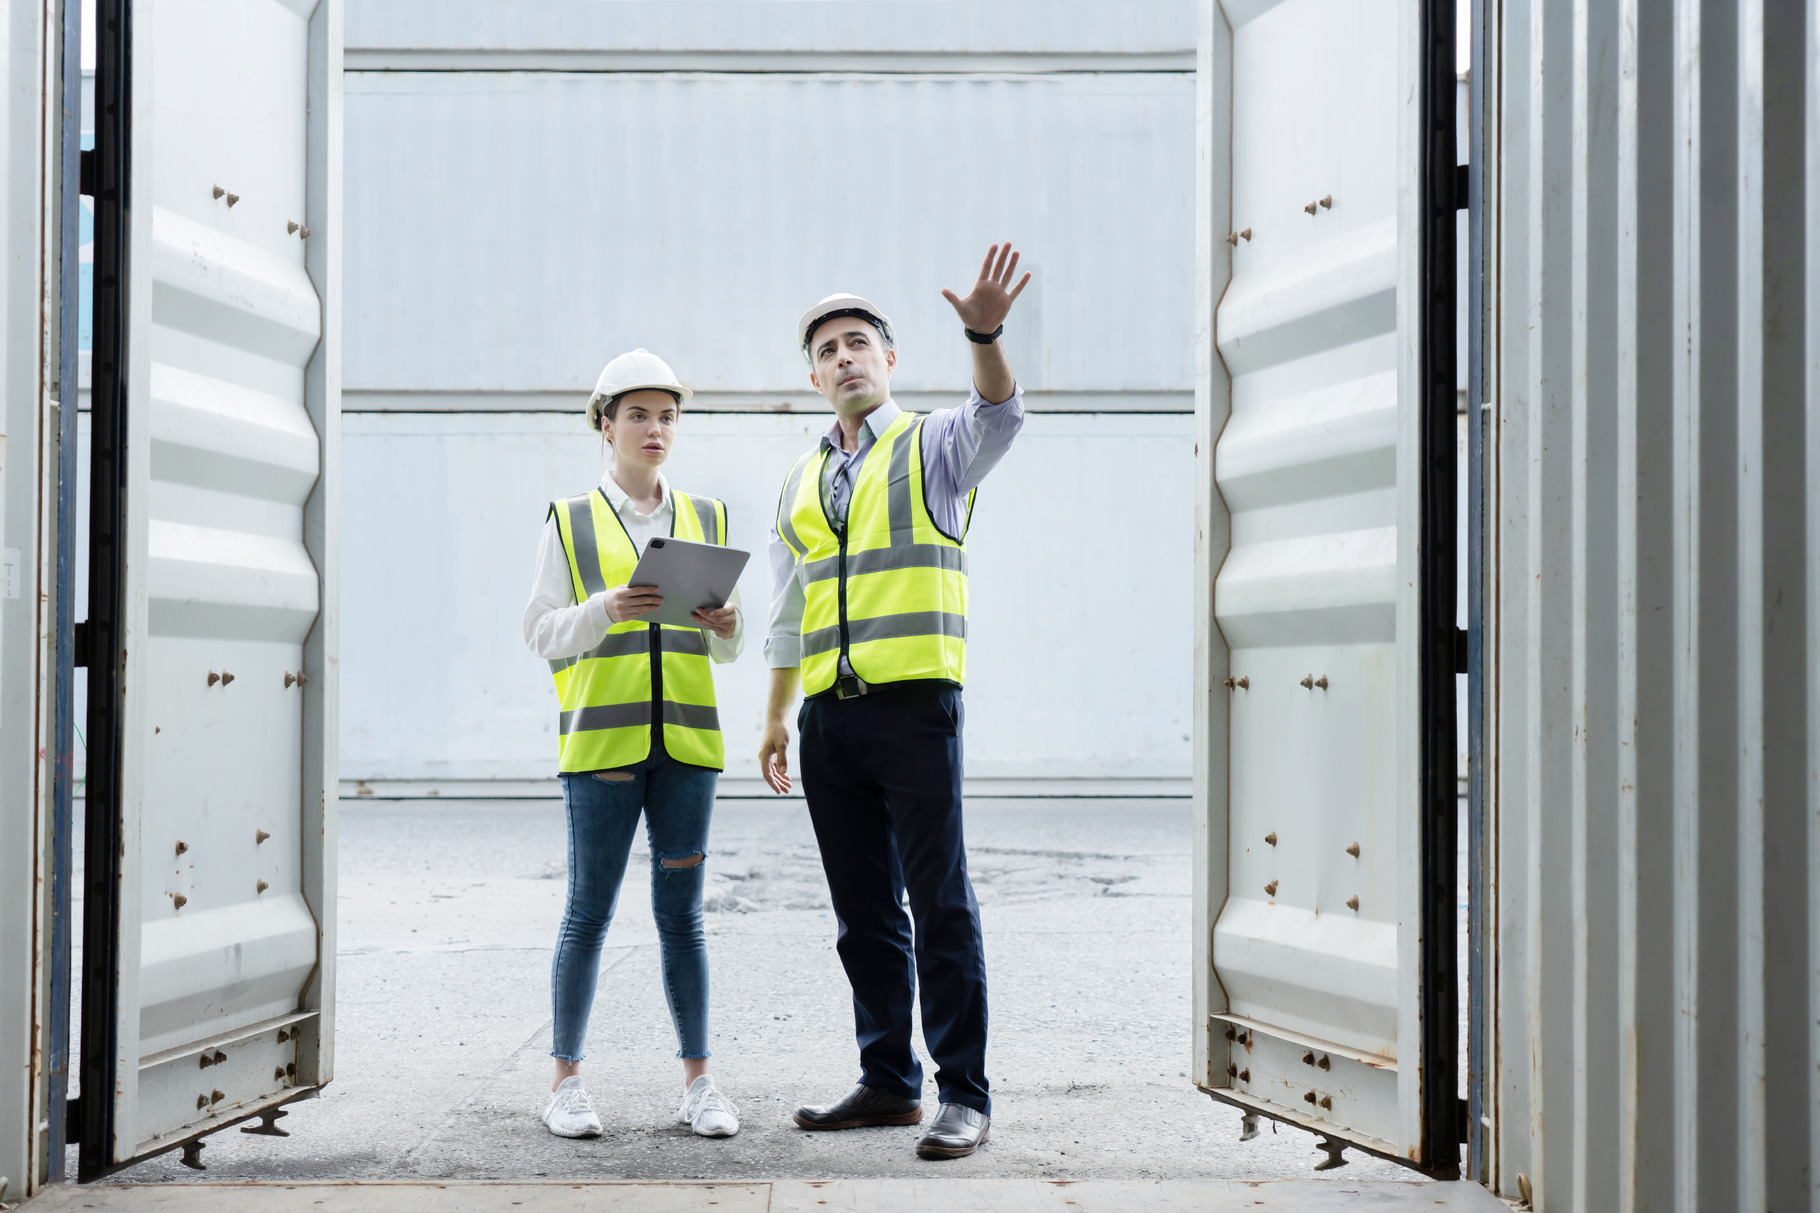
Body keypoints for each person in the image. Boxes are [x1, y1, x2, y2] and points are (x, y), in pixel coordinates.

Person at [758, 244, 1032, 1160]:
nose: (845, 358)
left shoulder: (935, 446)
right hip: (830, 719)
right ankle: (887, 1080)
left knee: (938, 898)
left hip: (915, 706)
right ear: (812, 375)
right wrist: (775, 719)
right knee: (863, 911)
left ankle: (966, 1091)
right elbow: (790, 607)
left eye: (859, 343)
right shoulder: (800, 479)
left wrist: (984, 333)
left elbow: (999, 410)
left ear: (890, 359)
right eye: (829, 349)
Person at [522, 348, 745, 1141]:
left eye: (668, 415)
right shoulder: (571, 518)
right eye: (640, 414)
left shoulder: (709, 519)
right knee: (589, 912)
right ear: (606, 423)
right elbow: (540, 631)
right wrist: (604, 608)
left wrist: (727, 625)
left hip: (687, 745)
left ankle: (700, 1082)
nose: (656, 428)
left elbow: (727, 649)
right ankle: (565, 1083)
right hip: (601, 748)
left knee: (683, 918)